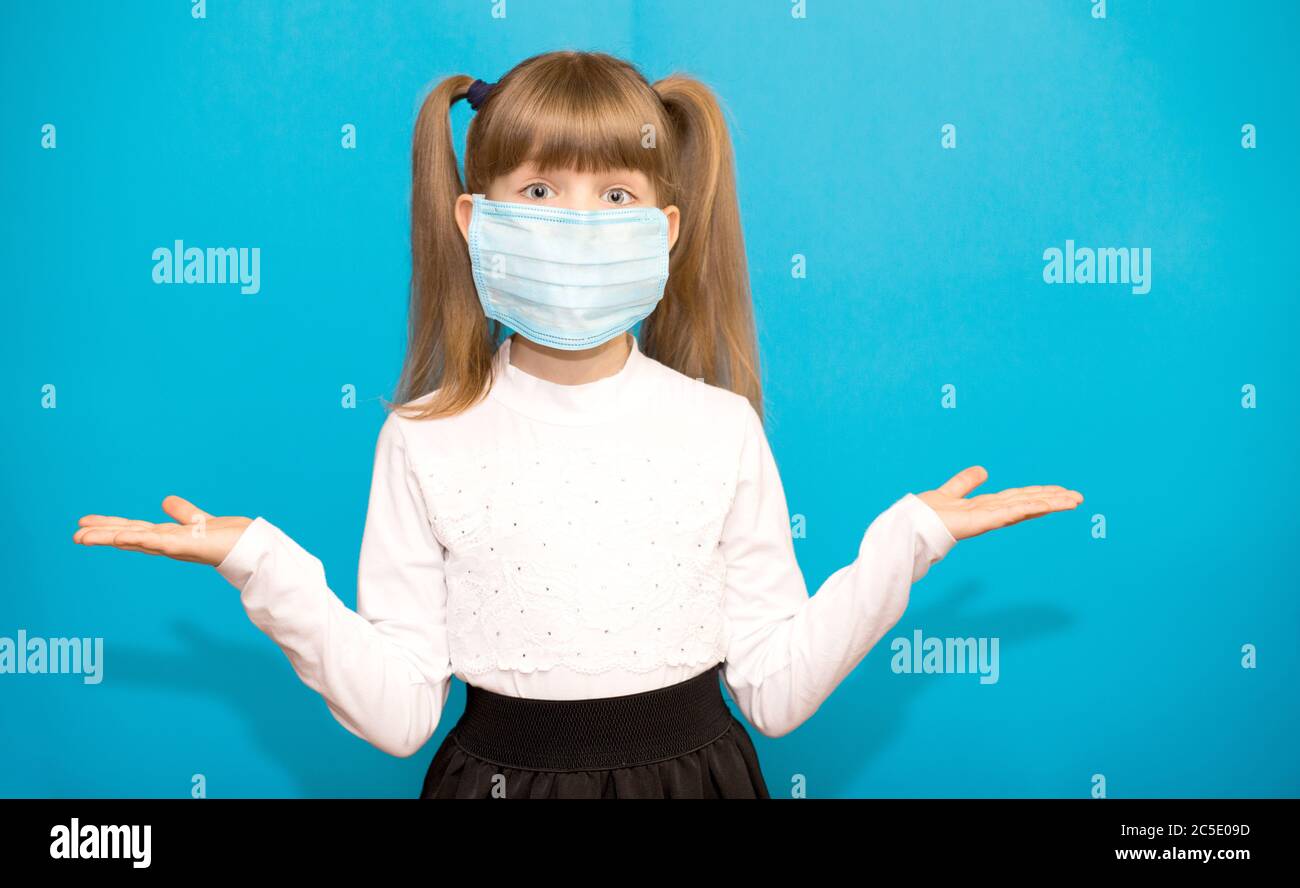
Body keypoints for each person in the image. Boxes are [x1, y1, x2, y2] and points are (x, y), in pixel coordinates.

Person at [73, 51, 1082, 799]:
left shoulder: (719, 428)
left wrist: (907, 543)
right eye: (540, 190)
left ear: (664, 228)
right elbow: (398, 714)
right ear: (477, 219)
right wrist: (260, 564)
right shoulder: (422, 438)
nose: (578, 220)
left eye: (614, 193)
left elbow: (772, 692)